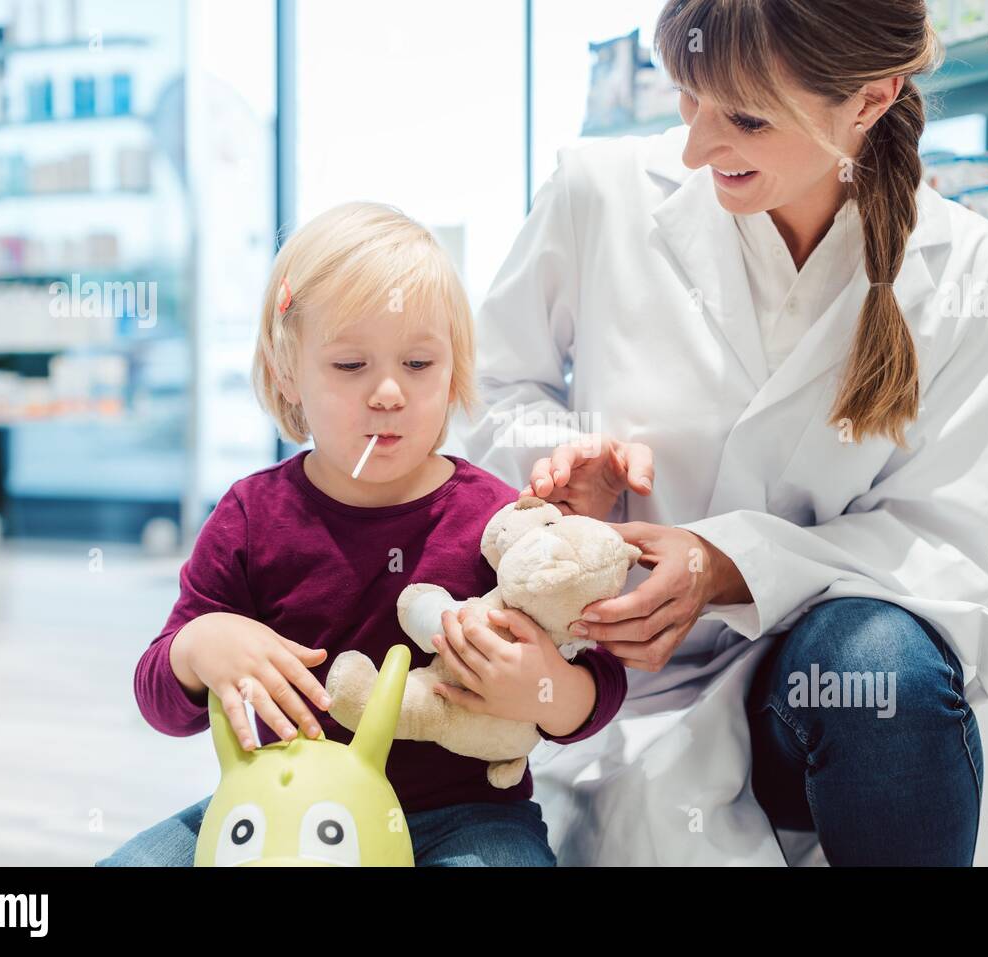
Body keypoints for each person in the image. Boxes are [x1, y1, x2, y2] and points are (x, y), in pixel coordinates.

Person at [460, 0, 988, 865]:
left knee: (885, 669)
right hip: (601, 676)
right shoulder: (597, 190)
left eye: (746, 118)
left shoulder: (976, 272)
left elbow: (942, 545)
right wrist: (558, 458)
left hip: (804, 686)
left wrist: (725, 564)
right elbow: (494, 384)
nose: (694, 149)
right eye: (689, 99)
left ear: (872, 99)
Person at [97, 202, 627, 867]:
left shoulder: (496, 518)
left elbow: (600, 678)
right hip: (276, 811)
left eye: (418, 363)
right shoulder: (250, 517)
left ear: (455, 370)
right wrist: (201, 645)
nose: (387, 392)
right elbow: (160, 700)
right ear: (287, 371)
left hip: (460, 819)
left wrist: (549, 687)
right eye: (350, 365)